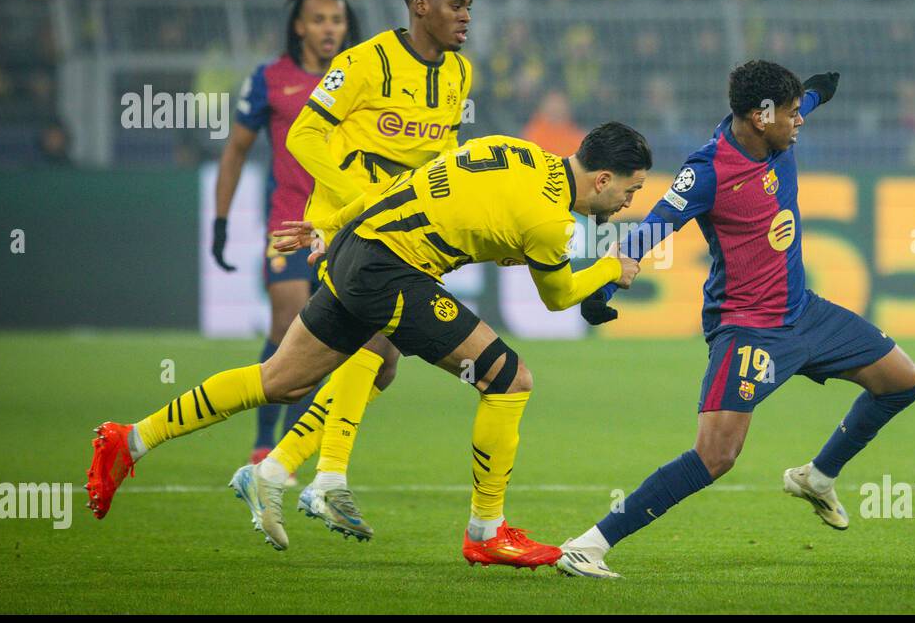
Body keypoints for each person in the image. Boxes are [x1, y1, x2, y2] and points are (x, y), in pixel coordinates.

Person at [86, 125, 651, 568]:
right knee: (509, 380)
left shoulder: (513, 151)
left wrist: (328, 226)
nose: (629, 202)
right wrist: (610, 266)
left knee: (282, 380)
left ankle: (131, 439)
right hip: (393, 272)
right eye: (631, 189)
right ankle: (487, 531)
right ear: (602, 179)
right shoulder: (552, 222)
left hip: (358, 248)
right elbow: (557, 297)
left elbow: (408, 183)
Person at [557, 62, 915, 579]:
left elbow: (811, 101)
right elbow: (653, 227)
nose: (800, 122)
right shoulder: (707, 171)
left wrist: (819, 90)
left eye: (801, 111)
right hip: (748, 327)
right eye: (792, 114)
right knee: (716, 456)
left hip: (805, 312)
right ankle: (588, 545)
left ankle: (817, 476)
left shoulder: (775, 132)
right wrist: (600, 284)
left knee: (905, 382)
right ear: (760, 116)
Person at [251, 0, 475, 543]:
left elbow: (443, 150)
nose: (467, 15)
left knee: (376, 363)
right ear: (421, 6)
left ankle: (274, 468)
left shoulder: (458, 74)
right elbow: (303, 135)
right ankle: (324, 477)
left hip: (402, 231)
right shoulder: (363, 62)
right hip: (351, 227)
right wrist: (362, 200)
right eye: (456, 4)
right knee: (371, 340)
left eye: (470, 5)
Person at [212, 0, 360, 475]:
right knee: (287, 324)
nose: (329, 29)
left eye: (336, 20)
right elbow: (235, 149)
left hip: (341, 225)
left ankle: (285, 454)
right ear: (299, 26)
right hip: (289, 221)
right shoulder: (270, 78)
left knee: (322, 339)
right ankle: (261, 442)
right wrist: (221, 218)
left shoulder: (360, 77)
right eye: (319, 20)